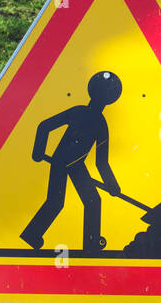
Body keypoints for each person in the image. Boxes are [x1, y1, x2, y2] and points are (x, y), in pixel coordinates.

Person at [21, 71, 123, 252]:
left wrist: (112, 185)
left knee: (91, 201)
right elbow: (44, 126)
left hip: (76, 165)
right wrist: (38, 151)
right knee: (57, 202)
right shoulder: (96, 121)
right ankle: (32, 234)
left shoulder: (87, 116)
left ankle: (90, 244)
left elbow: (101, 161)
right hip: (60, 161)